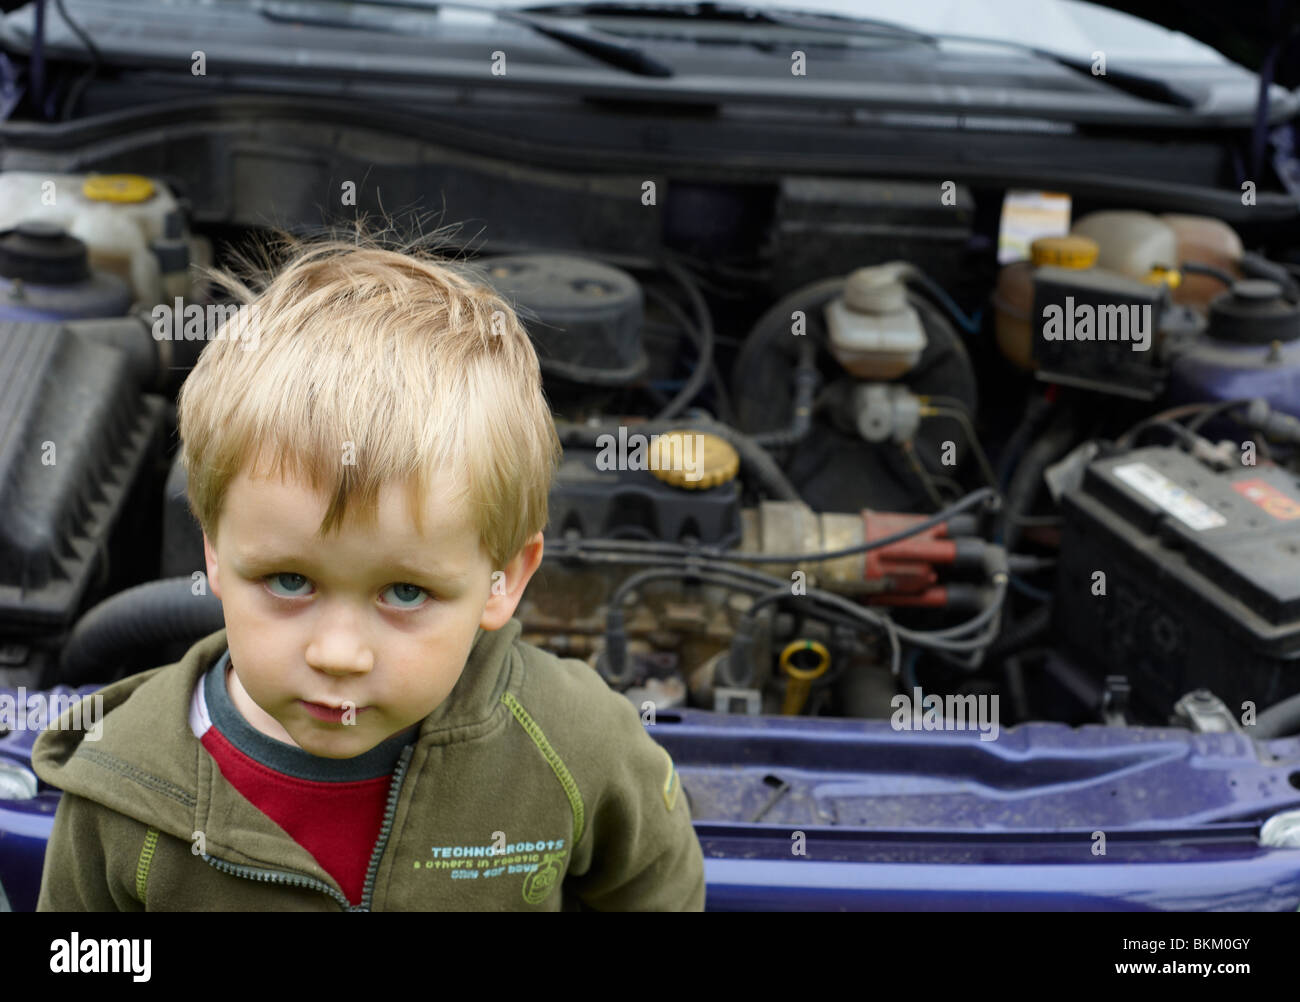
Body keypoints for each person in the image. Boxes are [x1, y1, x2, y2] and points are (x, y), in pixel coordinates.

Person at [32, 237, 706, 911]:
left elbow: (657, 886)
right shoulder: (121, 786)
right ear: (213, 553)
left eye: (406, 592)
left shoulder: (574, 744)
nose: (339, 655)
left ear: (505, 577)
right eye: (289, 581)